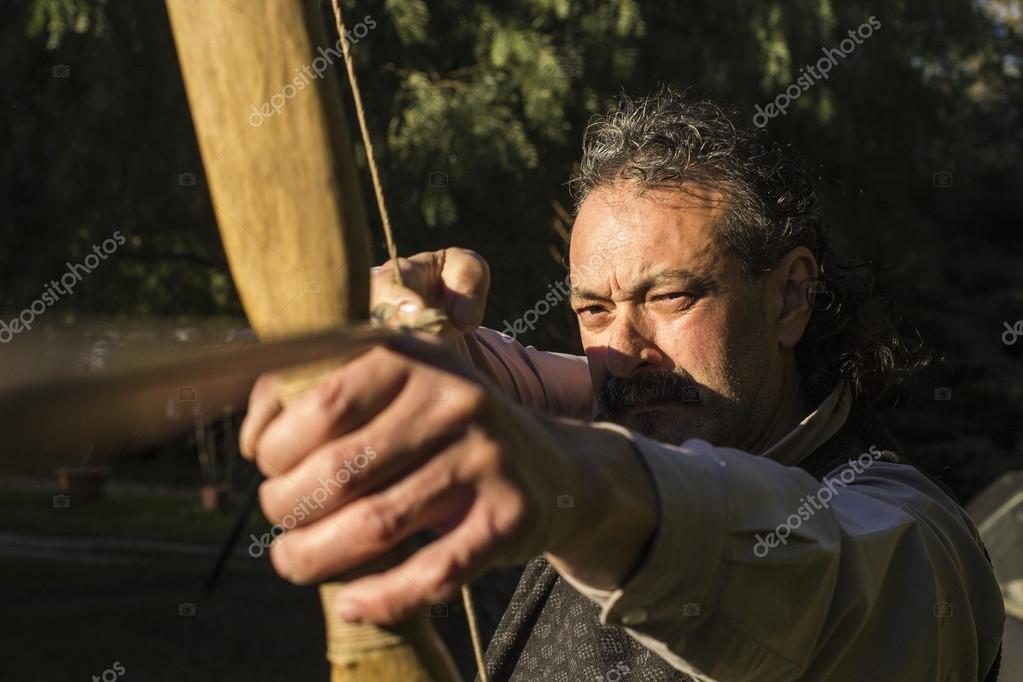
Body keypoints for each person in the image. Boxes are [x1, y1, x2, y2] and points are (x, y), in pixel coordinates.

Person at [239, 87, 1004, 681]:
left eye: (671, 297)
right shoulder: (642, 398)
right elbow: (514, 382)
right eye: (594, 309)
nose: (626, 348)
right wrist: (386, 334)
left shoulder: (910, 537)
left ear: (790, 296)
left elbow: (812, 580)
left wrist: (578, 485)